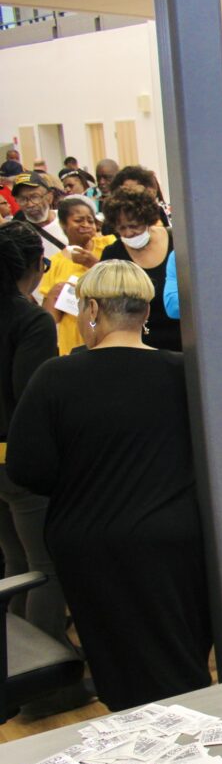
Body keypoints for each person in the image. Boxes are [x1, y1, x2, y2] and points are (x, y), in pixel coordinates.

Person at [7, 260, 213, 710]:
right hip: (177, 539)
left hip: (92, 544)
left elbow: (26, 468)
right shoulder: (183, 372)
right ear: (146, 311)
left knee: (121, 669)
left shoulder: (56, 377)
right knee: (181, 658)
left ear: (93, 309)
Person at [0, 222, 79, 699]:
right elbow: (32, 402)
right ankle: (46, 688)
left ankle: (14, 672)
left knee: (14, 563)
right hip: (18, 462)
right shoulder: (30, 320)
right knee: (46, 569)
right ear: (34, 266)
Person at [99, 188, 181, 351]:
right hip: (138, 344)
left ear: (148, 220)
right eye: (121, 228)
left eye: (134, 226)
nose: (128, 233)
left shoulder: (177, 241)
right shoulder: (112, 254)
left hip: (184, 337)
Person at [38, 197, 114, 355]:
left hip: (109, 335)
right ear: (63, 225)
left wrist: (94, 264)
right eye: (79, 220)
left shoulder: (110, 245)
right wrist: (54, 295)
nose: (86, 225)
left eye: (90, 220)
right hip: (72, 343)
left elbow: (124, 283)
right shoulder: (55, 262)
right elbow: (52, 318)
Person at [9, 172, 67, 259]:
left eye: (35, 197)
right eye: (22, 199)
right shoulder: (17, 235)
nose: (30, 204)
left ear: (49, 197)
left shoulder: (69, 219)